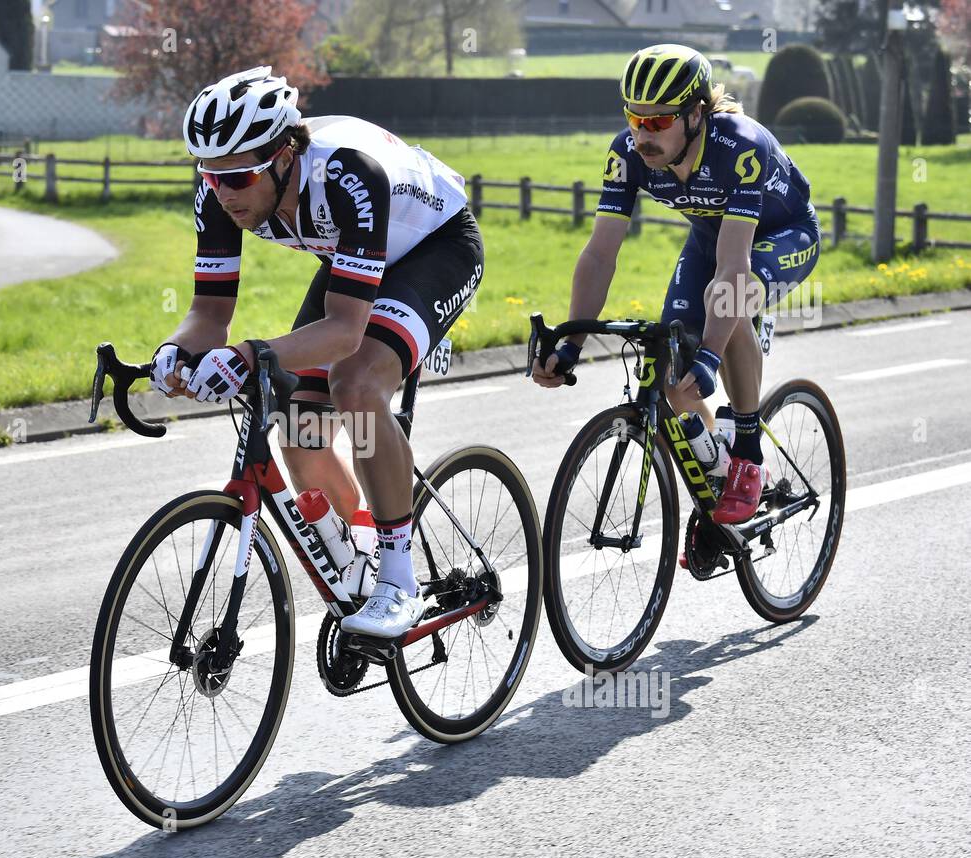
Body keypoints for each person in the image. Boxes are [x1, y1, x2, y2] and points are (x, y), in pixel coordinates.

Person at [151, 66, 484, 639]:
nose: (222, 192)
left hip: (436, 247)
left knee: (355, 385)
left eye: (238, 178)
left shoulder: (346, 172)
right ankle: (357, 562)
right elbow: (209, 313)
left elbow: (347, 330)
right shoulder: (222, 192)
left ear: (284, 156)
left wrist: (251, 354)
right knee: (300, 432)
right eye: (210, 177)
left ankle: (398, 581)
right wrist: (171, 354)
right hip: (354, 256)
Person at [533, 44, 820, 525]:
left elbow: (734, 264)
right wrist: (572, 340)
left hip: (781, 235)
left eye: (658, 122)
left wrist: (710, 354)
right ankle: (717, 465)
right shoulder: (627, 154)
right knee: (672, 374)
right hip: (710, 235)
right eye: (634, 118)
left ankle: (747, 452)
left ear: (695, 113)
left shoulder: (740, 146)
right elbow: (601, 253)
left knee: (726, 301)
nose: (643, 133)